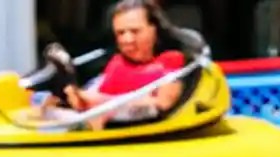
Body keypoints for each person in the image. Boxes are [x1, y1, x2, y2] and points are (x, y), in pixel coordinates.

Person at [41, 0, 187, 129]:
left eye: (135, 31)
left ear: (154, 30)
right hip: (94, 120)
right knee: (44, 100)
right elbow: (93, 94)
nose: (127, 39)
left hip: (130, 129)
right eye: (120, 33)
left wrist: (102, 103)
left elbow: (163, 104)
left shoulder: (170, 61)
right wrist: (74, 95)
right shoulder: (117, 62)